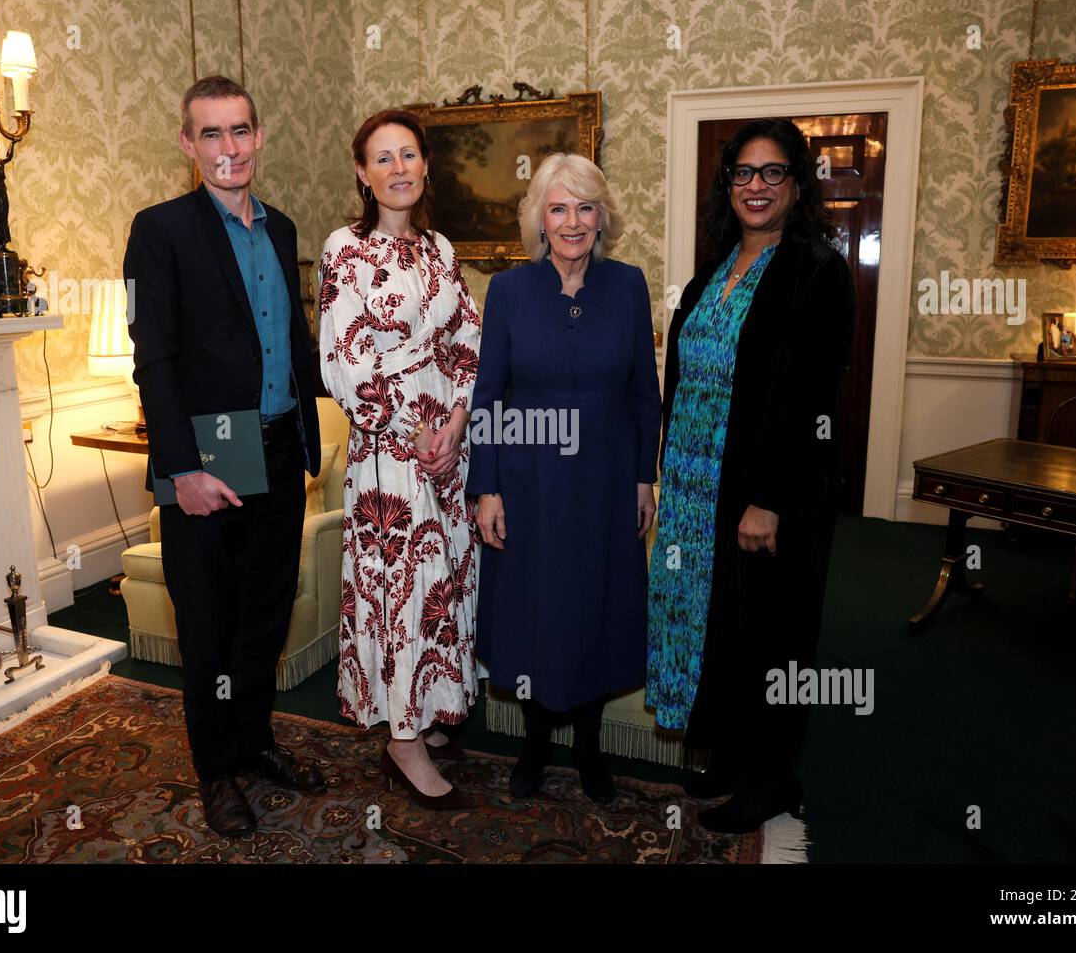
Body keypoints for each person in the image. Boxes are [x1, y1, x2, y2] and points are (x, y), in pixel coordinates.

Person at [123, 75, 326, 837]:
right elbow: (155, 359)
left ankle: (255, 742)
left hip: (277, 452)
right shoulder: (159, 230)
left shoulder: (282, 229)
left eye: (239, 130)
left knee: (263, 621)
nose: (228, 148)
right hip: (207, 461)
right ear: (187, 143)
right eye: (210, 134)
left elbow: (295, 345)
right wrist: (183, 471)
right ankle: (216, 772)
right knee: (207, 625)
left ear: (259, 135)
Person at [647, 118, 856, 834]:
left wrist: (768, 499)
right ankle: (733, 755)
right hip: (699, 486)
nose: (757, 186)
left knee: (772, 630)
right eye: (744, 173)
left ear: (797, 185)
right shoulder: (714, 269)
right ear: (726, 184)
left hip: (771, 492)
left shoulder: (818, 272)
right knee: (718, 622)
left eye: (773, 173)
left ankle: (772, 778)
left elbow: (807, 397)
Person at [468, 153, 660, 804]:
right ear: (540, 220)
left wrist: (642, 478)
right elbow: (489, 395)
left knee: (597, 609)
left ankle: (587, 748)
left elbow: (644, 393)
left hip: (606, 483)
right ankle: (534, 743)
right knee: (535, 611)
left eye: (584, 206)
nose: (572, 221)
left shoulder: (629, 284)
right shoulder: (511, 292)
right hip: (531, 485)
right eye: (559, 207)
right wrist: (487, 487)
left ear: (601, 215)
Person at [319, 109, 481, 810]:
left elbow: (471, 340)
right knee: (401, 589)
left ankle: (434, 703)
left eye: (408, 155)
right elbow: (340, 359)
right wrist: (414, 427)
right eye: (381, 158)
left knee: (445, 579)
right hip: (390, 453)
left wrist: (456, 416)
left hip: (449, 447)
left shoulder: (443, 250)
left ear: (425, 165)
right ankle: (402, 739)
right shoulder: (344, 250)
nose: (397, 169)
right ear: (362, 173)